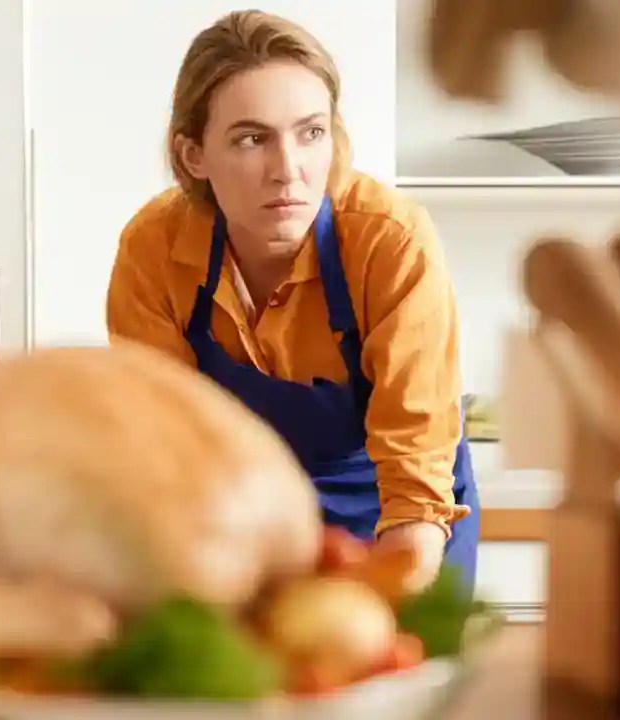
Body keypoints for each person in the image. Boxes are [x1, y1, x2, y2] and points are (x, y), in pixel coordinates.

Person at [105, 9, 479, 595]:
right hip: (242, 518)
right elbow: (171, 462)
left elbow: (413, 482)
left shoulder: (389, 241)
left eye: (310, 132)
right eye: (252, 139)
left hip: (394, 508)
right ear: (192, 156)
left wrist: (386, 621)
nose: (288, 170)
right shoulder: (154, 249)